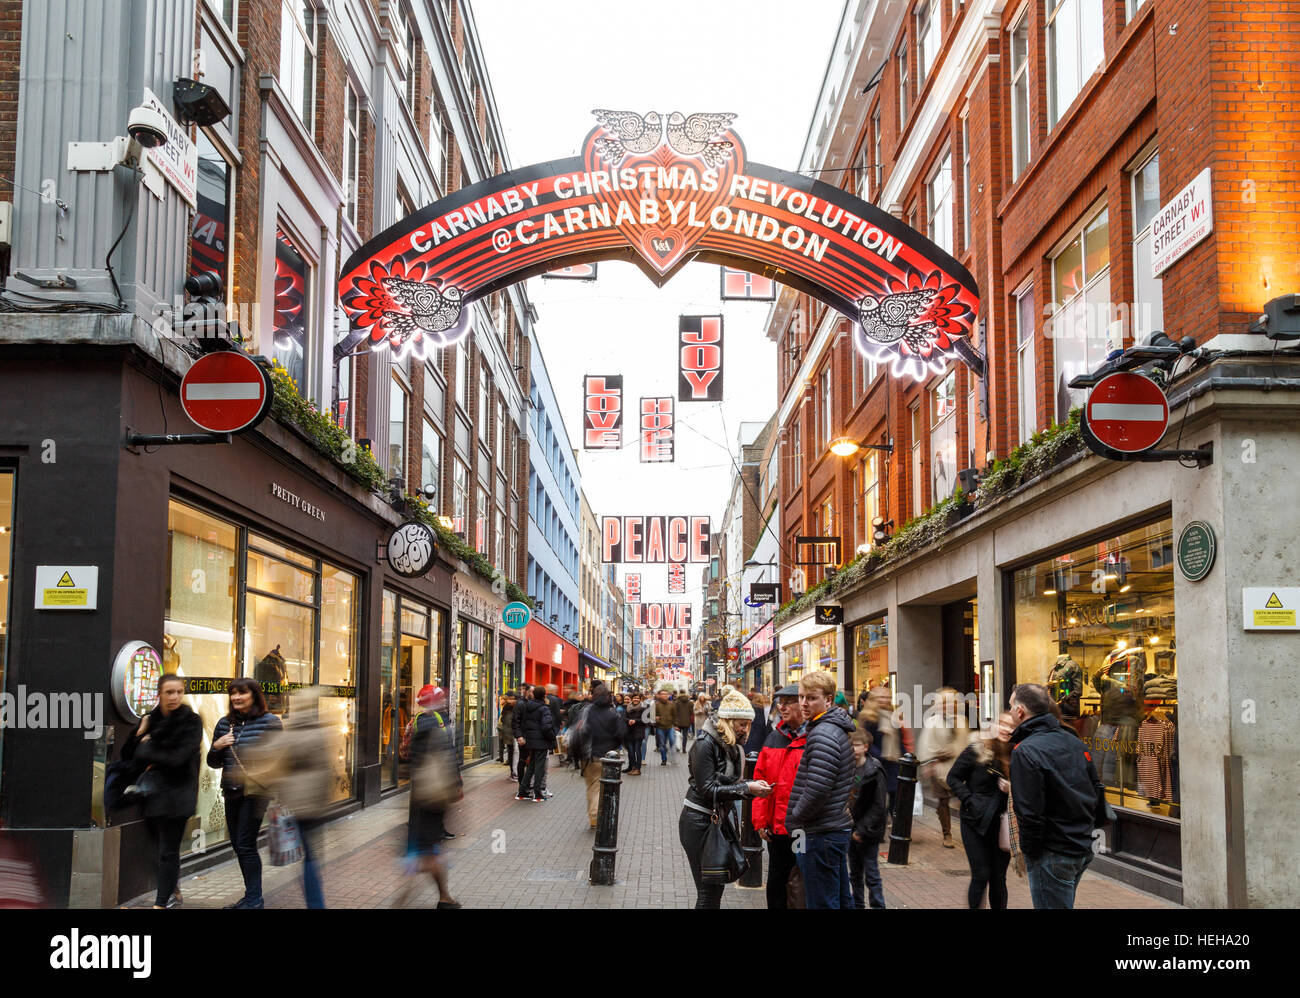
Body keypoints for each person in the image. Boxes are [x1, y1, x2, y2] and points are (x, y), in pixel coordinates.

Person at [1008, 683, 1105, 909]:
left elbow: (1029, 813)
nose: (1010, 711)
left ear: (1020, 711)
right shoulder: (1073, 741)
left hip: (1053, 852)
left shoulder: (1026, 751)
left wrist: (1032, 854)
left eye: (1011, 706)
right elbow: (1095, 790)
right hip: (1080, 846)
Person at [678, 686, 772, 908]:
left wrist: (749, 786)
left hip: (713, 820)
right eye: (742, 724)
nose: (746, 729)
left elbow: (725, 782)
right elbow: (708, 789)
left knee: (714, 890)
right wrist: (747, 789)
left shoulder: (729, 746)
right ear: (729, 721)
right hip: (699, 822)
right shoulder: (705, 744)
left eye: (748, 724)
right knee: (708, 892)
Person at [247, 685, 335, 908]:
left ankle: (316, 903)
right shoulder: (319, 732)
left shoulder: (292, 732)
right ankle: (316, 903)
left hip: (295, 805)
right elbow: (326, 770)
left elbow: (273, 763)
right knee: (312, 857)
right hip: (314, 805)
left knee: (306, 857)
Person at [121, 673, 201, 909]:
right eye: (169, 692)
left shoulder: (191, 721)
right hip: (152, 795)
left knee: (168, 850)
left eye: (178, 692)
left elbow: (178, 758)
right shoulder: (151, 720)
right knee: (156, 851)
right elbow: (127, 756)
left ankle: (160, 903)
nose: (175, 697)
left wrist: (147, 749)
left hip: (179, 797)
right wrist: (139, 733)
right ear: (160, 695)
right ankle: (173, 888)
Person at [207, 678, 282, 909]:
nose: (236, 698)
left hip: (256, 792)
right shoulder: (224, 724)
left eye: (242, 693)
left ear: (254, 695)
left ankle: (254, 899)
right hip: (231, 791)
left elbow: (281, 759)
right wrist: (217, 746)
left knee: (246, 843)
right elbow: (213, 762)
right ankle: (251, 896)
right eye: (233, 694)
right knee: (239, 846)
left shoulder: (270, 722)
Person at [784, 670, 855, 909]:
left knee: (821, 902)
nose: (804, 703)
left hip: (818, 832)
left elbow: (817, 789)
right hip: (828, 829)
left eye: (811, 698)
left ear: (828, 700)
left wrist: (796, 817)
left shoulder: (823, 733)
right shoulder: (829, 728)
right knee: (840, 899)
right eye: (802, 697)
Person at [397, 685, 461, 909]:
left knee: (423, 845)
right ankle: (442, 898)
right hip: (435, 793)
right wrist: (456, 784)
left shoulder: (413, 722)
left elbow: (403, 752)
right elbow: (450, 755)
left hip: (420, 791)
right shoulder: (442, 724)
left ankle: (443, 896)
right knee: (429, 848)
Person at [946, 711, 1014, 909]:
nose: (1006, 729)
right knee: (981, 874)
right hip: (975, 821)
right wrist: (969, 800)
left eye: (1011, 726)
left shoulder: (1018, 753)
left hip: (1002, 825)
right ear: (994, 725)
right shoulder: (978, 748)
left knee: (998, 878)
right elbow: (953, 777)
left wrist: (1012, 788)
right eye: (1002, 724)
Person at [751, 684, 806, 909]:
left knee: (801, 879)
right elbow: (761, 782)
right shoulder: (774, 738)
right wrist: (760, 821)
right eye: (779, 702)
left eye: (788, 702)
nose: (781, 707)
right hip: (776, 827)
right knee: (777, 879)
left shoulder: (815, 738)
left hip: (802, 828)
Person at [917, 687, 971, 848]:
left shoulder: (962, 721)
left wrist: (957, 752)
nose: (949, 705)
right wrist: (930, 762)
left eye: (952, 702)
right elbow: (926, 745)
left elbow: (966, 743)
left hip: (960, 768)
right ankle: (947, 833)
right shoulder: (932, 722)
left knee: (965, 799)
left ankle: (969, 831)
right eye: (945, 702)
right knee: (943, 802)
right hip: (939, 767)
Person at [847, 727, 888, 909]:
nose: (852, 749)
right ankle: (858, 905)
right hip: (850, 830)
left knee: (871, 874)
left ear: (865, 747)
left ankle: (878, 905)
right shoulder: (847, 768)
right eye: (850, 746)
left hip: (868, 832)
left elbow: (879, 805)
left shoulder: (874, 770)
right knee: (854, 873)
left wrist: (862, 830)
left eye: (856, 745)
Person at [581, 688, 626, 828]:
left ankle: (593, 815)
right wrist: (614, 746)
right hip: (608, 756)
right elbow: (621, 734)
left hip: (589, 755)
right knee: (604, 787)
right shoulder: (613, 714)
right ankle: (598, 815)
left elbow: (581, 731)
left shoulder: (587, 711)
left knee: (592, 787)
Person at [514, 684, 555, 802]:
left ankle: (522, 792)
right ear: (544, 695)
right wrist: (552, 739)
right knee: (539, 767)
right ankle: (537, 794)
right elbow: (546, 727)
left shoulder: (528, 706)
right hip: (541, 741)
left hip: (531, 741)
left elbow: (524, 723)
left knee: (531, 765)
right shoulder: (544, 708)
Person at [624, 693, 647, 775]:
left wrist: (635, 721)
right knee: (631, 751)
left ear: (640, 699)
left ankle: (638, 769)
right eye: (634, 698)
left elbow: (645, 720)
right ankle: (632, 767)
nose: (636, 699)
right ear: (632, 699)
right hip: (630, 732)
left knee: (637, 750)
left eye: (637, 698)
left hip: (639, 732)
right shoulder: (628, 707)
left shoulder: (643, 708)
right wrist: (628, 721)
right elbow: (625, 717)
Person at [653, 688, 676, 765]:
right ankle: (664, 759)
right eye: (662, 694)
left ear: (668, 695)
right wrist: (656, 719)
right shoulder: (656, 705)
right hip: (660, 727)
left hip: (670, 726)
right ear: (659, 695)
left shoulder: (672, 704)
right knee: (662, 744)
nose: (664, 696)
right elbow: (652, 716)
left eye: (666, 694)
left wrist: (675, 725)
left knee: (672, 740)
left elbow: (675, 715)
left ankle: (671, 753)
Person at [497, 692, 518, 773]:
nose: (511, 701)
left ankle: (514, 770)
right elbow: (503, 719)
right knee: (510, 751)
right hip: (508, 733)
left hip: (515, 734)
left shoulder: (518, 707)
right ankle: (512, 770)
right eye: (510, 699)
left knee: (514, 752)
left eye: (513, 699)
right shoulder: (506, 707)